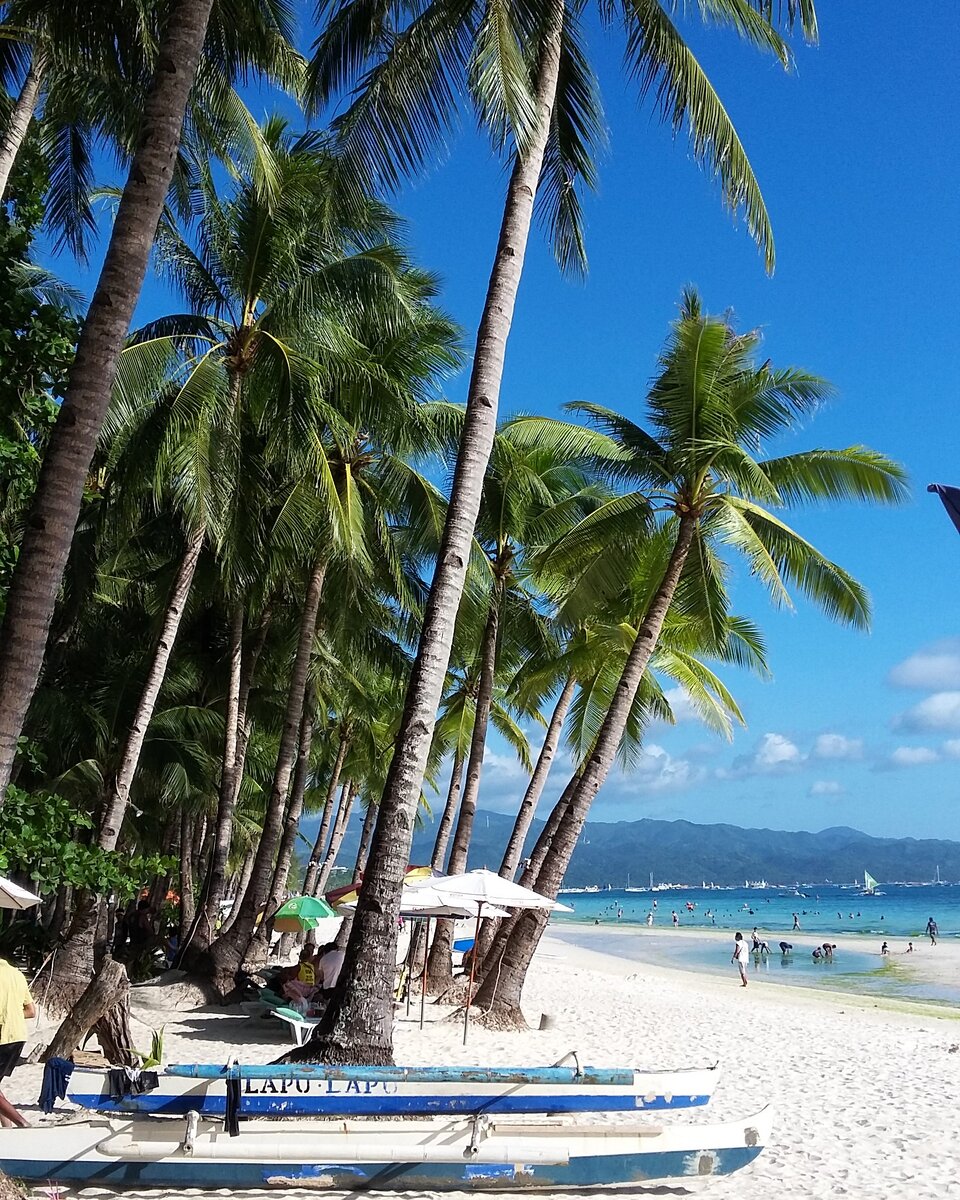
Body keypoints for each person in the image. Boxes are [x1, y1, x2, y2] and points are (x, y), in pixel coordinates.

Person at [0, 955, 36, 1128]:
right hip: (17, 1036)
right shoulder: (17, 974)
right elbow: (31, 1011)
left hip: (2, 1036)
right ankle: (7, 1127)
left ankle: (22, 1123)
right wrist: (12, 1015)